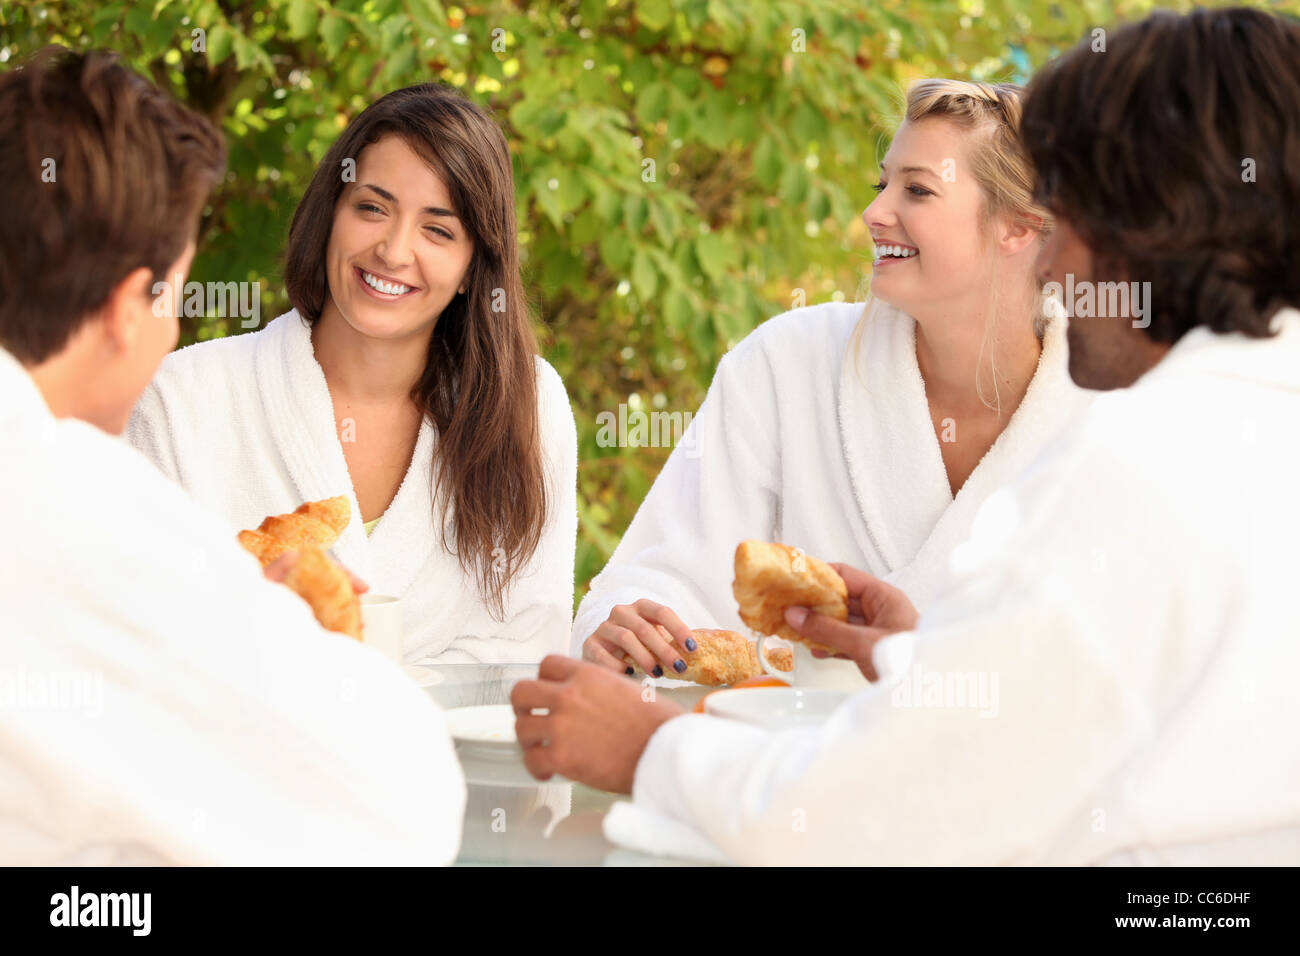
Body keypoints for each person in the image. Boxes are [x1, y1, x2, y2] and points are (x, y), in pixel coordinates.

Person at [513, 6, 1300, 865]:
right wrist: (932, 660)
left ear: (1153, 213)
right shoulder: (1261, 418)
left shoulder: (1133, 456)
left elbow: (903, 814)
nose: (1055, 260)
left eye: (1070, 207)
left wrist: (646, 750)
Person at [0, 47, 465, 865]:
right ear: (122, 311)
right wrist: (297, 644)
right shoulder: (93, 514)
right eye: (176, 294)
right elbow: (407, 810)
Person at [572, 79, 1094, 687]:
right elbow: (676, 568)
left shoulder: (1106, 412)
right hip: (786, 762)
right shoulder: (787, 362)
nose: (874, 213)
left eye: (917, 190)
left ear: (1019, 227)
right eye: (882, 185)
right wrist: (635, 626)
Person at [127, 84, 578, 665]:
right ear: (331, 215)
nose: (393, 251)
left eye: (438, 230)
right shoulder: (179, 401)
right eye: (372, 208)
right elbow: (123, 639)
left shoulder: (529, 408)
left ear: (472, 268)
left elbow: (524, 653)